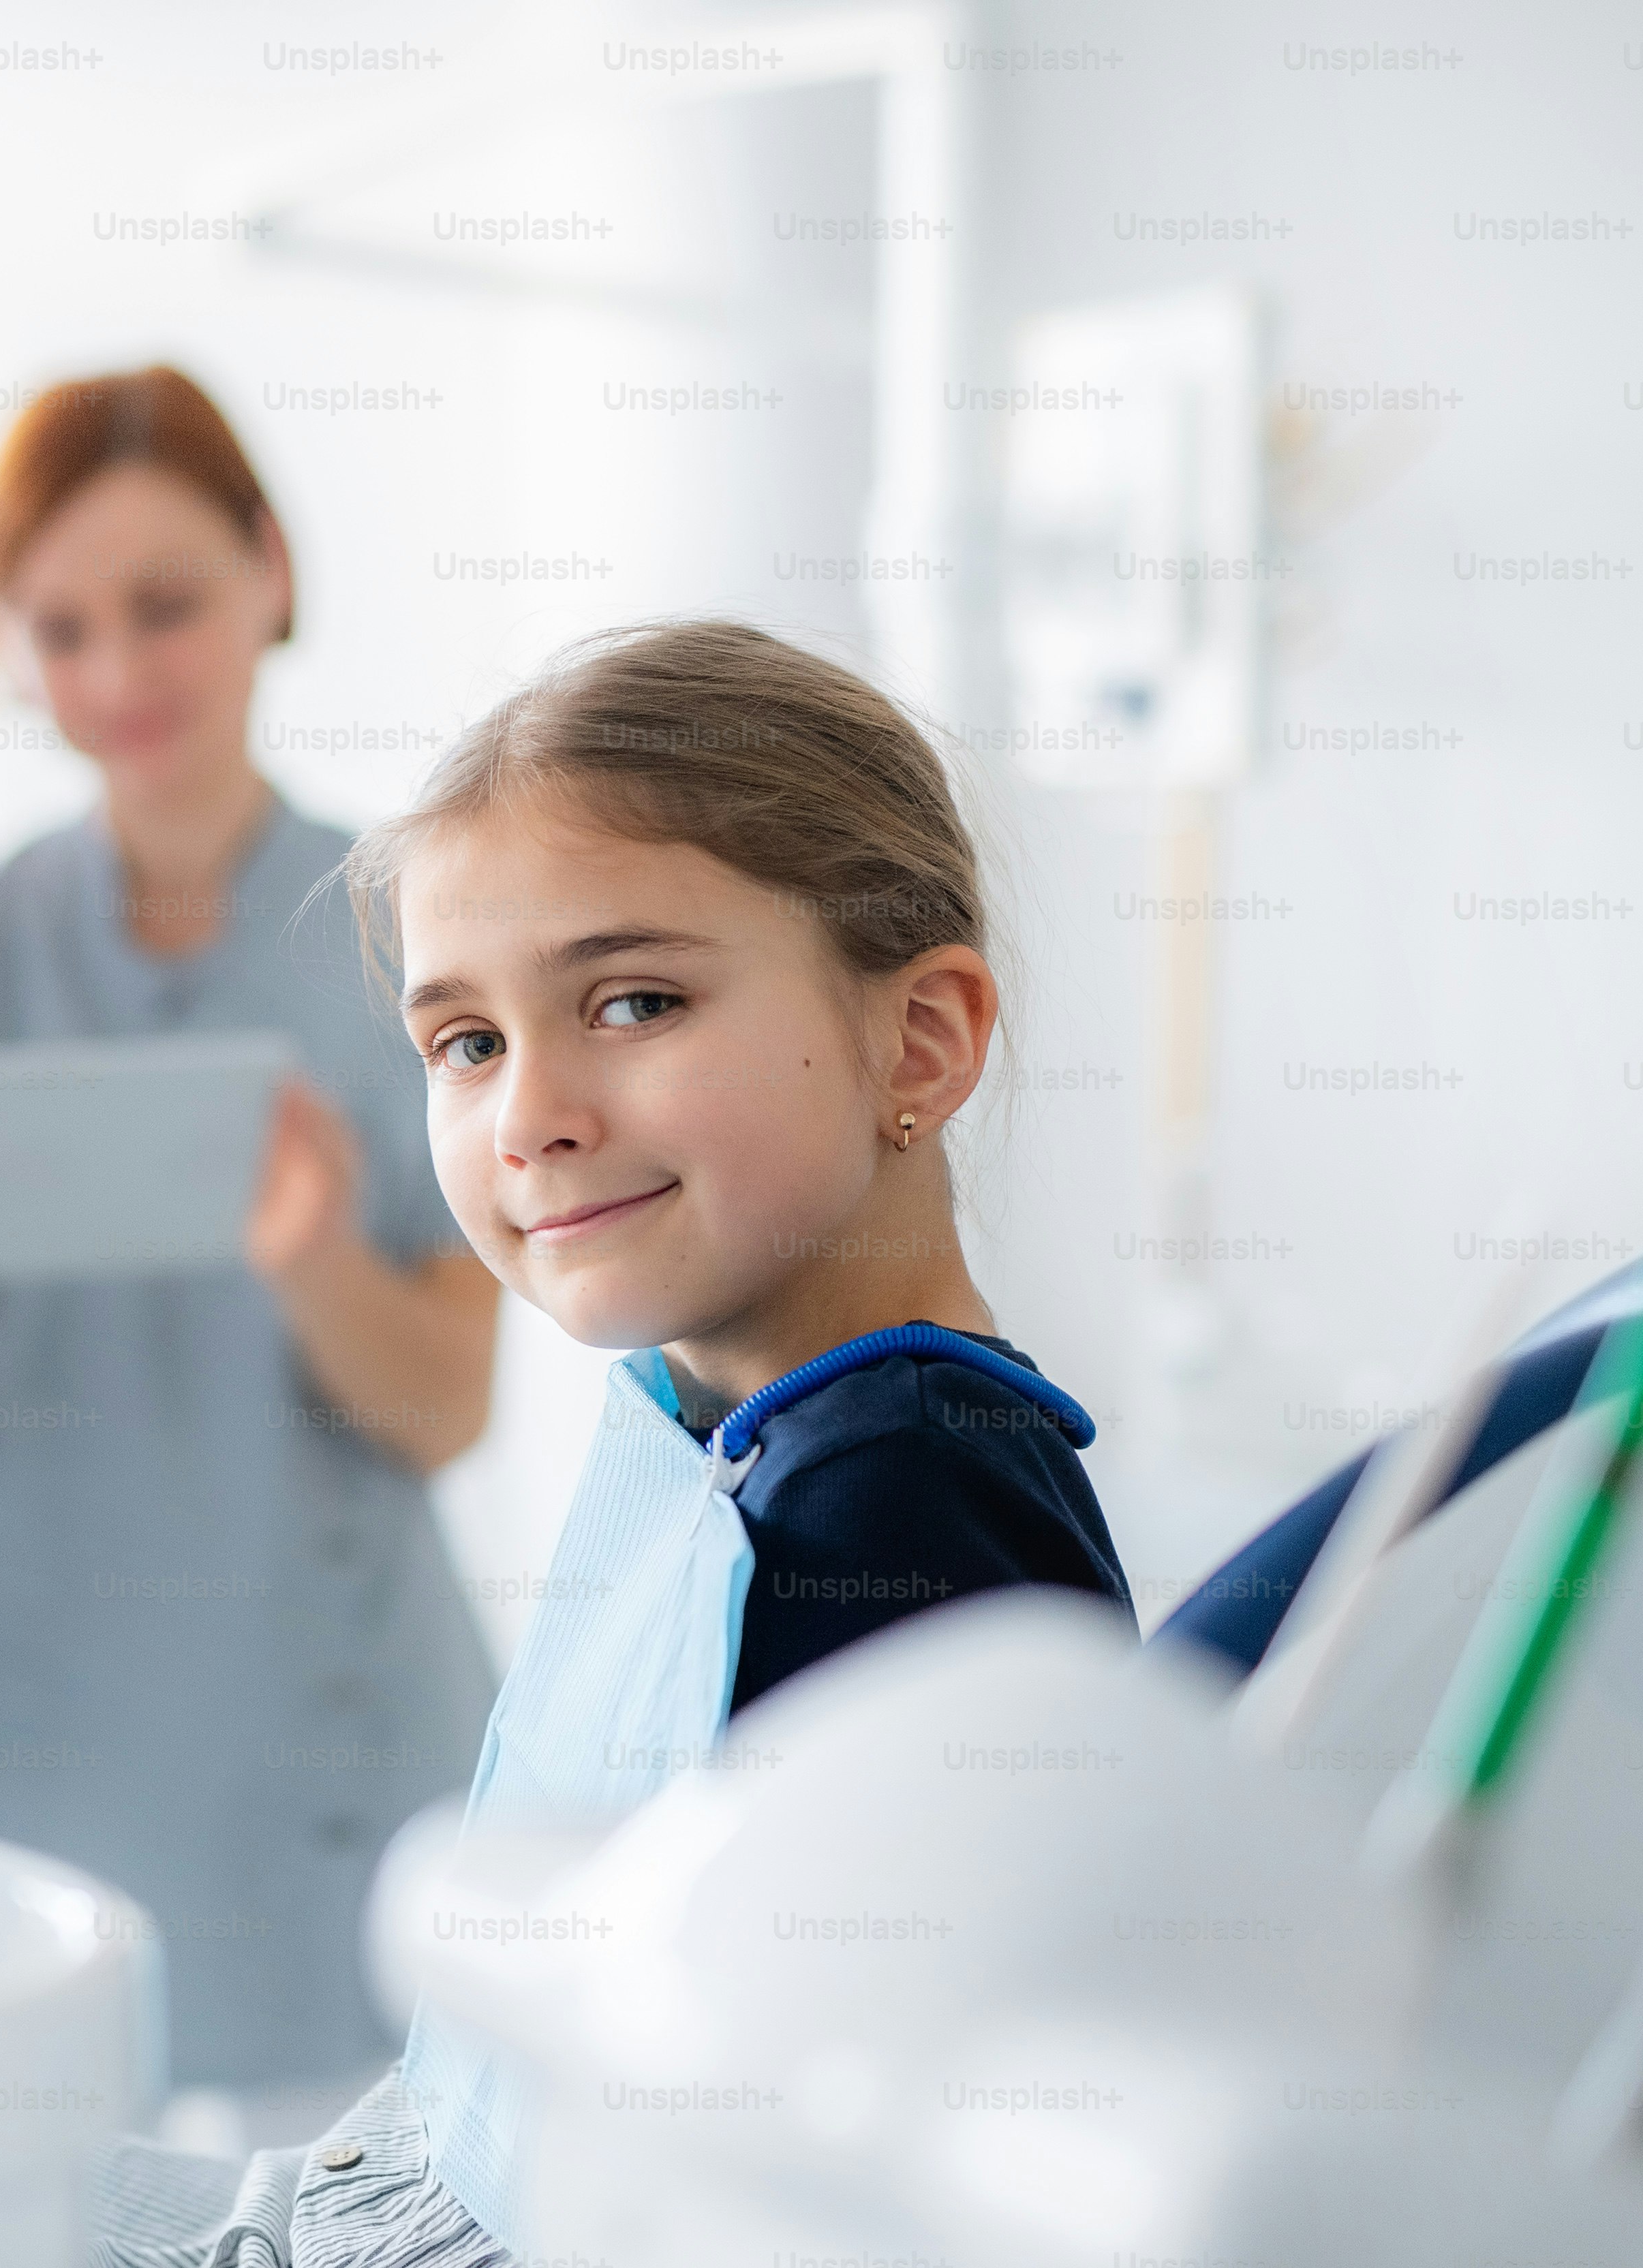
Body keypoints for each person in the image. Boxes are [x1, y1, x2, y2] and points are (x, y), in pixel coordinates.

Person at [93, 621, 1133, 2264]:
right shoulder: (718, 1431)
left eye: (634, 1000)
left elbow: (837, 2167)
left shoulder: (904, 1492)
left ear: (919, 1043)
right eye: (468, 1043)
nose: (530, 1115)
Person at [0, 369, 504, 2091]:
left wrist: (308, 1260)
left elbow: (444, 1406)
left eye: (165, 606)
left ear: (271, 572)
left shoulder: (419, 929)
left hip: (324, 1754)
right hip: (22, 1746)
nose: (119, 676)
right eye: (60, 629)